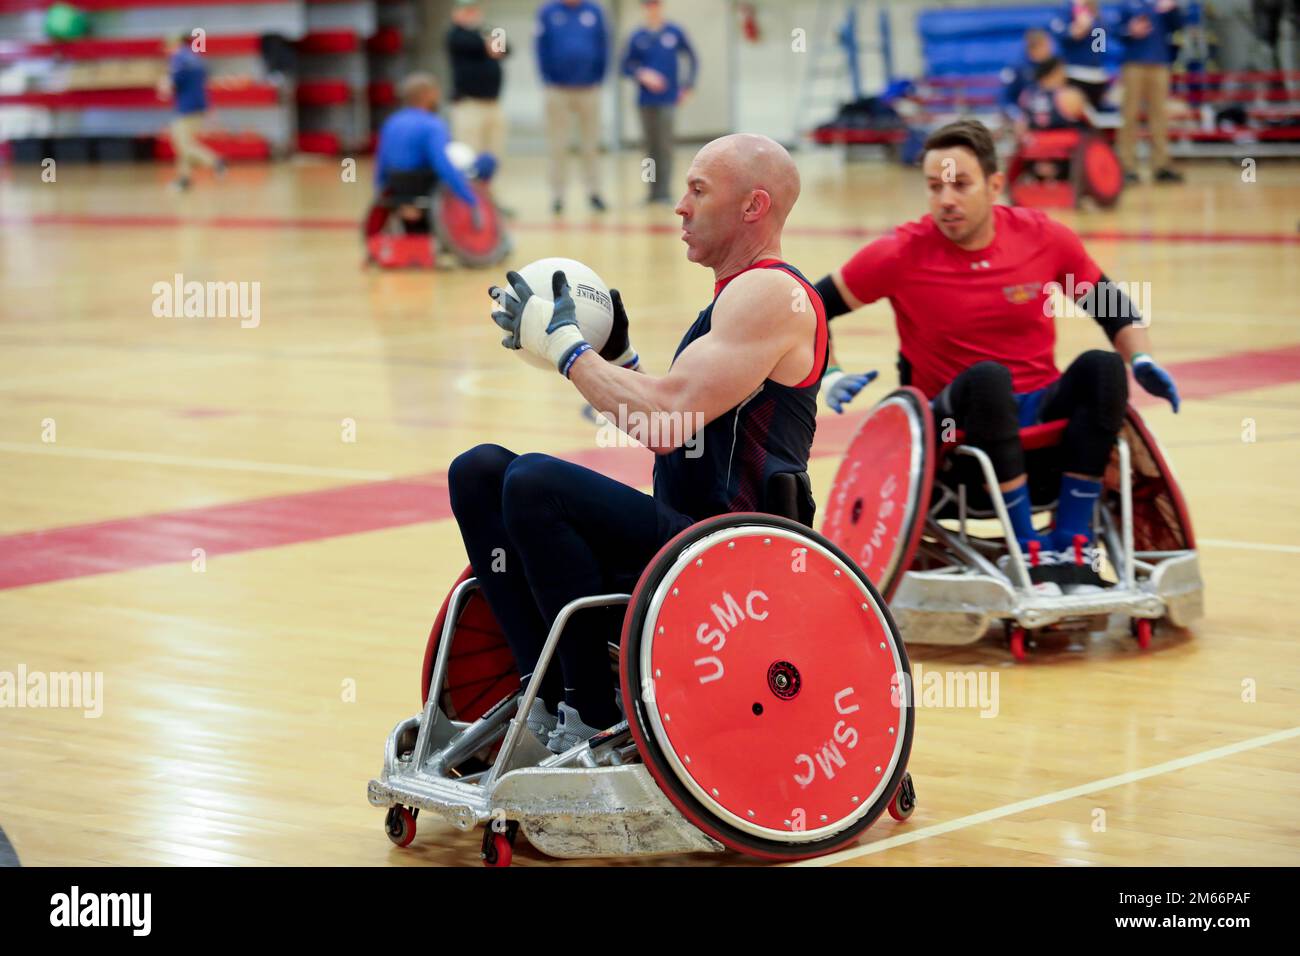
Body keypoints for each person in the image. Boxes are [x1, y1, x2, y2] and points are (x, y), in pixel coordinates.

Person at [451, 134, 827, 752]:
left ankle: (590, 714)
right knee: (481, 470)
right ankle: (539, 699)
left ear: (753, 206)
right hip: (688, 535)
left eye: (699, 191)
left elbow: (671, 417)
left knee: (537, 483)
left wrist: (570, 351)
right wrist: (620, 358)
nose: (679, 206)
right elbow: (674, 431)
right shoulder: (736, 298)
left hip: (735, 554)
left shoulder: (770, 294)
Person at [812, 119, 1181, 590]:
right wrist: (828, 373)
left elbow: (1112, 309)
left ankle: (1072, 541)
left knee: (1104, 367)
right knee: (988, 378)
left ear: (995, 185)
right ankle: (1026, 546)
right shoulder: (900, 252)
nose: (946, 200)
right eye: (934, 187)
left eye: (961, 185)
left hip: (1042, 426)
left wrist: (1143, 359)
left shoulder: (1043, 237)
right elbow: (809, 305)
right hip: (954, 438)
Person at [365, 73, 480, 242]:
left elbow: (381, 162)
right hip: (425, 187)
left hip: (398, 186)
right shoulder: (432, 124)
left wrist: (383, 194)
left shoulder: (392, 122)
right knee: (483, 165)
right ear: (427, 94)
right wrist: (469, 198)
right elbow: (443, 165)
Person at [535, 0, 610, 214]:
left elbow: (603, 45)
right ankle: (557, 195)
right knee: (558, 143)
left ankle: (594, 192)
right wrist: (548, 79)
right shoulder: (548, 12)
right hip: (558, 89)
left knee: (591, 144)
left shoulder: (594, 11)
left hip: (589, 88)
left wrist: (598, 77)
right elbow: (540, 47)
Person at [620, 0, 698, 205]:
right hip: (645, 99)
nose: (652, 9)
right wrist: (642, 74)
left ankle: (665, 192)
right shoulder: (638, 36)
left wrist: (687, 86)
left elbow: (692, 58)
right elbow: (626, 65)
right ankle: (651, 192)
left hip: (668, 98)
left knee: (665, 145)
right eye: (648, 6)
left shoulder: (674, 32)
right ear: (644, 9)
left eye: (655, 5)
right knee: (649, 147)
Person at [1117, 0, 1186, 184]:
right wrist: (1130, 30)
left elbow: (1178, 27)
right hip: (1134, 64)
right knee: (1129, 114)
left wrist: (1173, 9)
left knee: (1159, 116)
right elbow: (1115, 31)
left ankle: (1161, 165)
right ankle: (1127, 165)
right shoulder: (1127, 4)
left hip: (1160, 63)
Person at [158, 32, 225, 192]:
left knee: (183, 146)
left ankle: (215, 162)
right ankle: (184, 180)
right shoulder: (196, 58)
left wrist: (164, 86)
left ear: (173, 45)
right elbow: (203, 83)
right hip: (198, 106)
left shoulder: (178, 59)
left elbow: (172, 83)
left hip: (185, 108)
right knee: (185, 145)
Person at [447, 0, 507, 164]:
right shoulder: (455, 35)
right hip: (469, 102)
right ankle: (468, 188)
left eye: (473, 10)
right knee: (469, 152)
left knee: (493, 151)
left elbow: (504, 48)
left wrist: (491, 43)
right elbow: (480, 46)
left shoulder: (487, 29)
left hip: (492, 101)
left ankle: (486, 186)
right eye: (466, 11)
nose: (471, 14)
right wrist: (488, 45)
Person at [1049, 0, 1114, 110]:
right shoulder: (1065, 10)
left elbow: (1100, 47)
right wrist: (1077, 28)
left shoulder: (1098, 16)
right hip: (1075, 74)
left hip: (1097, 75)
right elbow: (1062, 35)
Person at [1000, 29, 1056, 126]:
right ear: (1034, 48)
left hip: (1051, 116)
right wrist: (1017, 115)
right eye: (1046, 46)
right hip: (1025, 118)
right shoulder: (1018, 68)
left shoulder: (1054, 66)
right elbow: (1006, 99)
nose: (1050, 49)